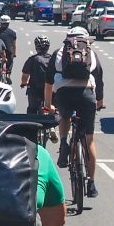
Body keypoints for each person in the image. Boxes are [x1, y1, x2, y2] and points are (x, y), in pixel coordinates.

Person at [46, 25, 105, 198]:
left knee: (65, 117)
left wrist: (49, 104)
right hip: (87, 94)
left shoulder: (59, 52)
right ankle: (92, 184)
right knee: (89, 140)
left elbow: (49, 82)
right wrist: (99, 100)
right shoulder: (92, 54)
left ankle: (64, 143)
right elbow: (99, 79)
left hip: (64, 94)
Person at [19, 35, 55, 117]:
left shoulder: (32, 59)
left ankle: (30, 127)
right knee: (54, 107)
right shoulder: (53, 59)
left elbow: (25, 76)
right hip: (51, 90)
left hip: (35, 90)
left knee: (32, 110)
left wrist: (24, 83)